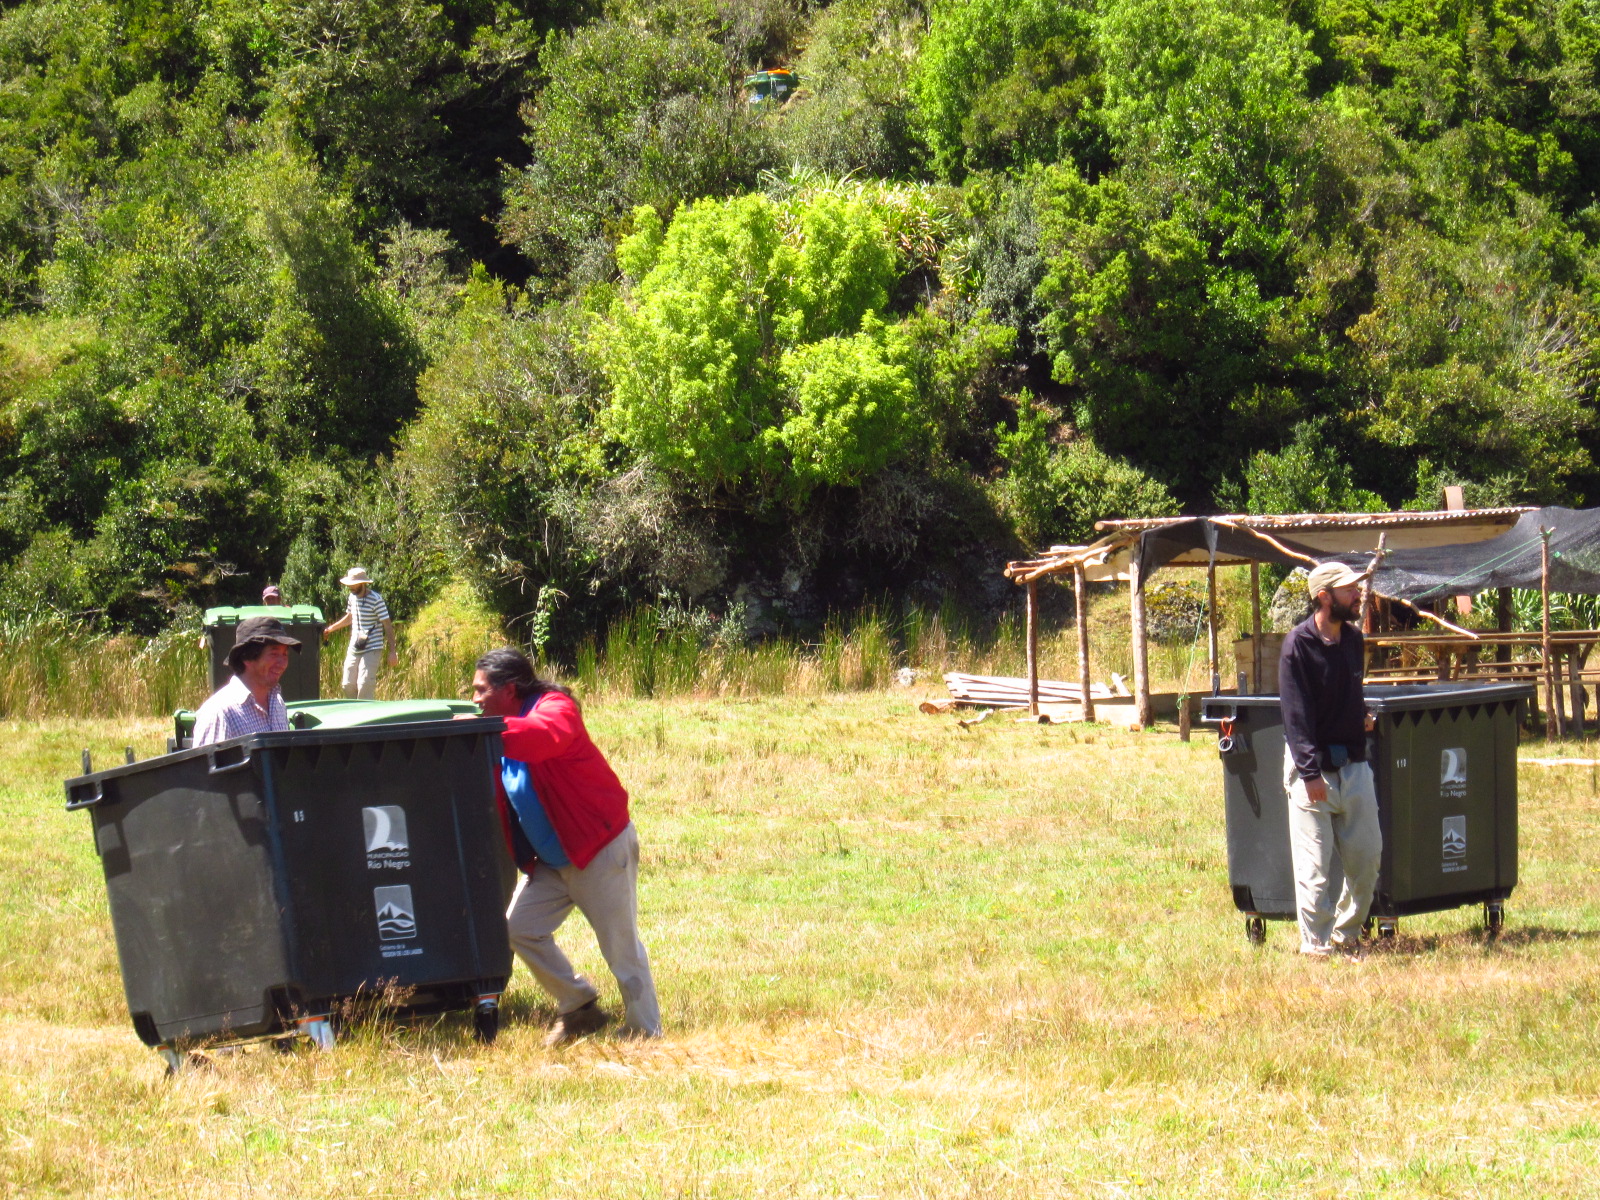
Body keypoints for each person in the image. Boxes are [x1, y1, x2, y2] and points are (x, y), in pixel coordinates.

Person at [470, 647, 662, 1044]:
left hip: (598, 849)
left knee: (620, 947)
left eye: (480, 690)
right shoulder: (498, 730)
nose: (474, 699)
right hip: (553, 862)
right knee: (520, 929)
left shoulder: (555, 708)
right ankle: (579, 1007)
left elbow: (544, 739)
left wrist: (487, 732)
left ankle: (646, 1030)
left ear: (509, 690)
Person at [1279, 561, 1382, 959]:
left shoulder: (1354, 640)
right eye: (1348, 590)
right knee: (1314, 869)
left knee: (1367, 858)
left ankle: (1347, 932)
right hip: (1312, 770)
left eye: (1356, 589)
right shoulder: (1297, 646)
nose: (1357, 595)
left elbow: (1346, 695)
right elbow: (1296, 715)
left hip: (1353, 765)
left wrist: (1362, 717)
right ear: (1324, 597)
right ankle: (1316, 945)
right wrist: (1309, 773)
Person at [192, 615, 302, 745]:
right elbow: (207, 765)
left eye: (285, 654)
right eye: (274, 654)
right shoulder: (220, 713)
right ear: (247, 658)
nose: (282, 663)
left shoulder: (277, 703)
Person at [322, 567, 397, 699]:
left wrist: (392, 652)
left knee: (364, 684)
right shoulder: (352, 597)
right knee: (347, 684)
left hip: (373, 647)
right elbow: (350, 617)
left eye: (353, 585)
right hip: (355, 646)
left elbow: (387, 625)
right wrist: (331, 629)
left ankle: (366, 714)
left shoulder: (376, 599)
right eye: (349, 585)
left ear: (362, 583)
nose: (350, 587)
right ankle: (354, 710)